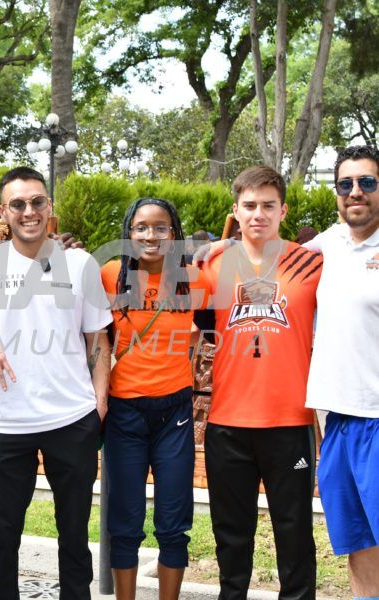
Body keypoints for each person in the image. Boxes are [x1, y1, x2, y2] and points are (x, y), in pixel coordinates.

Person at [0, 167, 111, 600]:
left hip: (73, 419)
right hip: (7, 425)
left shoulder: (79, 264)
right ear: (3, 212)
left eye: (37, 202)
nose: (29, 211)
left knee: (74, 535)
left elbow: (98, 339)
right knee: (3, 537)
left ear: (49, 207)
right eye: (18, 204)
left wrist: (98, 404)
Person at [198, 165, 321, 600]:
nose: (258, 214)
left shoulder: (312, 262)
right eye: (249, 206)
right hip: (228, 422)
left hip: (289, 420)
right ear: (236, 210)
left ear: (283, 210)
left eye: (268, 206)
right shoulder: (210, 265)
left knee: (294, 534)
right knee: (231, 537)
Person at [100, 198, 210, 600]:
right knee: (125, 522)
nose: (151, 235)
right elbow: (93, 335)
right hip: (125, 411)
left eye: (161, 227)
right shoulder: (109, 275)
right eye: (141, 227)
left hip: (175, 413)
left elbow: (210, 329)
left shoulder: (196, 279)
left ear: (174, 233)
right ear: (129, 233)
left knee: (173, 524)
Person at [305, 145, 379, 599]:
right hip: (337, 421)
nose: (356, 192)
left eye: (368, 182)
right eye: (346, 184)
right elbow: (261, 254)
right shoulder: (326, 244)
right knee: (359, 546)